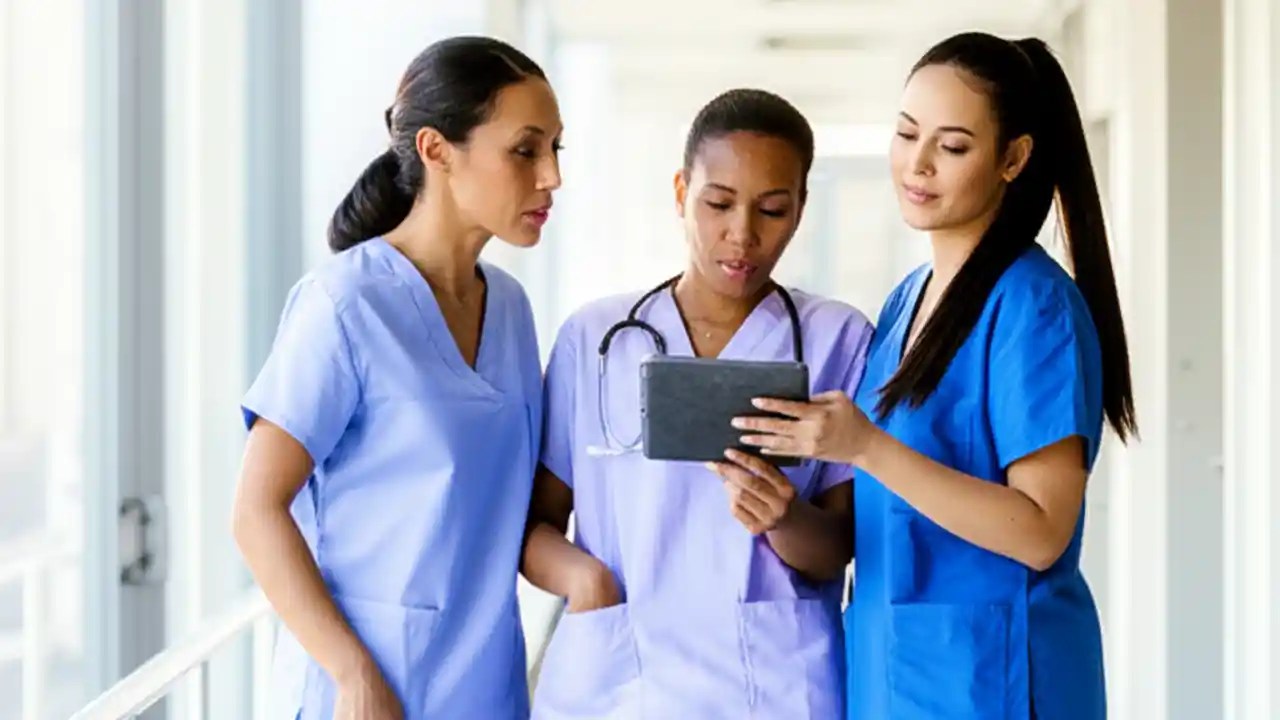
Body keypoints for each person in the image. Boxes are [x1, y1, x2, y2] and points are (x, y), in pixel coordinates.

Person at [731, 32, 1136, 720]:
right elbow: (891, 518)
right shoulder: (906, 302)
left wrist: (865, 446)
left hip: (998, 682)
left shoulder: (1032, 306)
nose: (917, 166)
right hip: (899, 678)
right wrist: (786, 510)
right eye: (906, 134)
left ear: (1014, 158)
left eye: (950, 147)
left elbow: (1041, 530)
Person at [231, 36, 562, 720]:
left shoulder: (511, 311)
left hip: (484, 688)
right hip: (358, 694)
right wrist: (351, 674)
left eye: (557, 149)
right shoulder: (346, 304)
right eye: (526, 150)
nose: (551, 176)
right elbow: (256, 512)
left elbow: (509, 508)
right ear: (437, 150)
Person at [521, 88, 874, 719]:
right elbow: (536, 526)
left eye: (772, 209)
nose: (742, 235)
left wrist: (784, 518)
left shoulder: (838, 338)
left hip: (769, 688)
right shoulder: (595, 339)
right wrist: (585, 581)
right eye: (718, 203)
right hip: (621, 683)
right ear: (681, 192)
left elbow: (843, 547)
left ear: (800, 210)